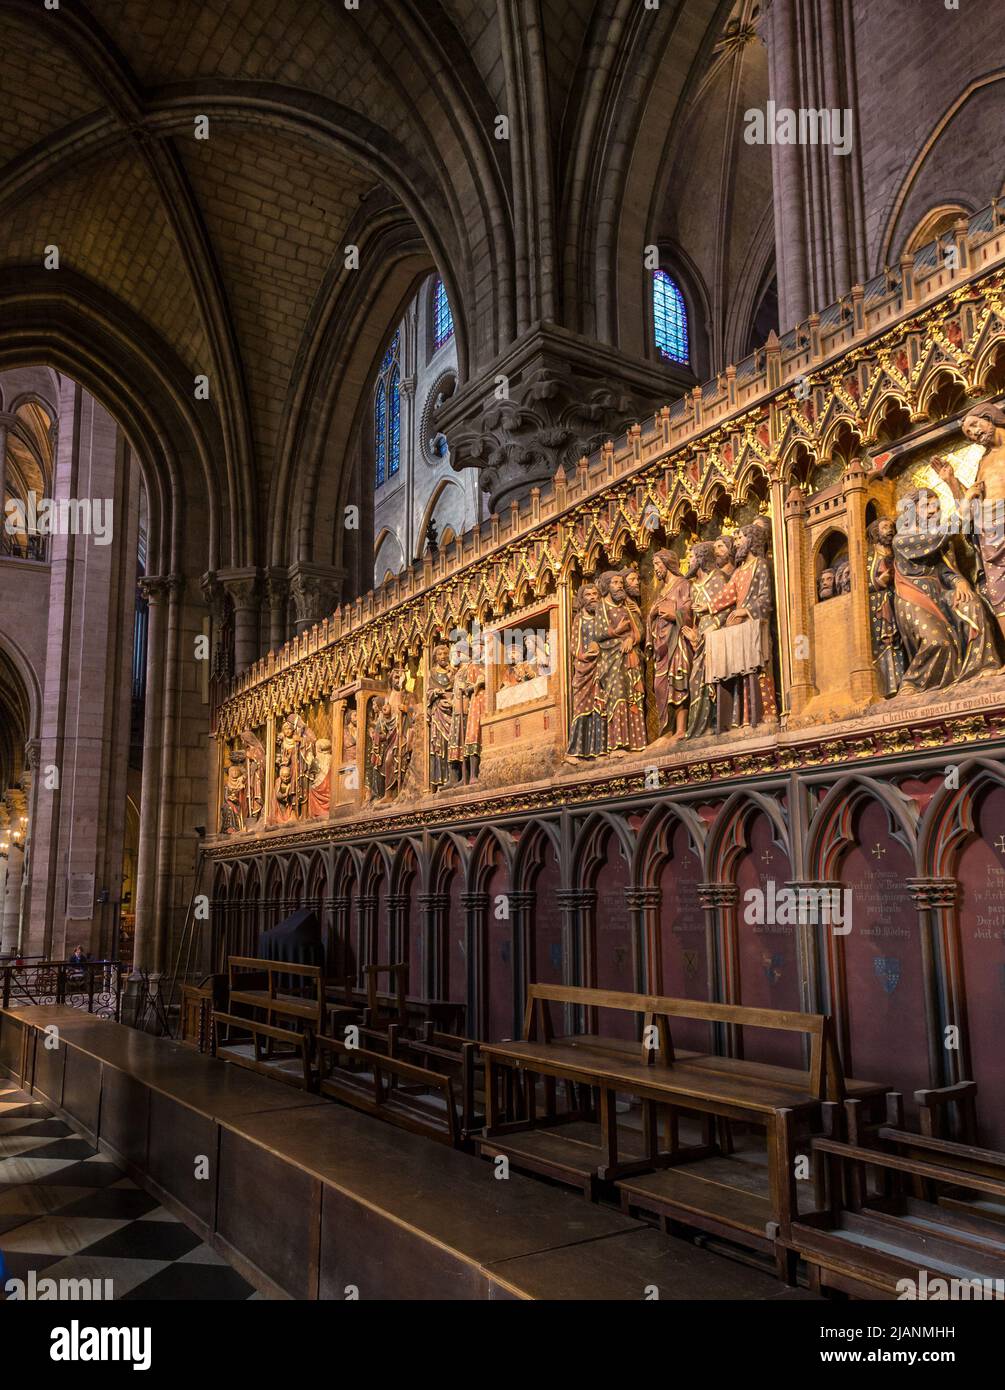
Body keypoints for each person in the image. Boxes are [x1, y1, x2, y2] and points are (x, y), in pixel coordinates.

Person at [893, 488, 1000, 692]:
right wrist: (964, 505)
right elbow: (937, 538)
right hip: (915, 598)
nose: (934, 511)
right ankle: (911, 684)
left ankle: (981, 668)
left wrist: (960, 582)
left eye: (937, 507)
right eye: (927, 506)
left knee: (972, 604)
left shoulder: (940, 539)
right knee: (939, 642)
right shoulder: (902, 539)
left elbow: (945, 570)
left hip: (941, 594)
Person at [709, 524, 777, 731]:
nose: (736, 543)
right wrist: (708, 606)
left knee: (760, 668)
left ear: (752, 540)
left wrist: (744, 611)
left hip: (755, 624)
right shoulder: (739, 571)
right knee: (738, 669)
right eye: (736, 540)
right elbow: (728, 594)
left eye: (740, 539)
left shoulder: (761, 565)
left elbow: (765, 597)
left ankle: (766, 711)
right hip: (740, 629)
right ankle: (744, 718)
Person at [646, 549, 693, 740]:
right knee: (660, 686)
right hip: (661, 644)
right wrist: (651, 615)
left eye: (658, 564)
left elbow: (690, 610)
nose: (656, 568)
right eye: (654, 564)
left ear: (667, 563)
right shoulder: (661, 591)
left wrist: (675, 615)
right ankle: (667, 730)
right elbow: (652, 616)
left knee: (678, 682)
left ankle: (681, 729)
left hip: (678, 640)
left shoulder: (682, 584)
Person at [867, 517, 905, 697]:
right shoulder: (867, 556)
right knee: (883, 644)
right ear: (876, 532)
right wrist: (876, 583)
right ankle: (889, 687)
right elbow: (857, 586)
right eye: (884, 527)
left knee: (900, 641)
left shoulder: (897, 552)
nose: (889, 530)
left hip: (897, 599)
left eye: (891, 527)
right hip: (877, 606)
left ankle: (904, 681)